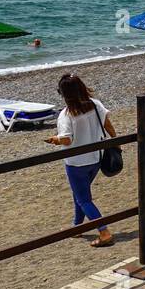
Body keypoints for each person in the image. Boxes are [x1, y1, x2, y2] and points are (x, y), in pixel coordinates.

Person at [45, 74, 117, 248]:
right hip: (96, 159)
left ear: (64, 94)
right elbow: (108, 126)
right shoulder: (95, 104)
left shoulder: (66, 115)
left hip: (76, 163)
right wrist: (116, 142)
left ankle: (104, 232)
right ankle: (77, 226)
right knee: (80, 195)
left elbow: (67, 140)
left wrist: (54, 139)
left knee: (84, 199)